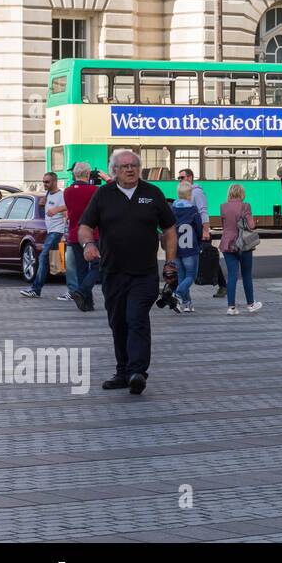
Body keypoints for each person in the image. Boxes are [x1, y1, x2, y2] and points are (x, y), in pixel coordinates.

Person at [78, 149, 177, 396]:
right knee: (118, 323)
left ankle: (138, 372)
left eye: (134, 165)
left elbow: (170, 229)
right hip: (113, 272)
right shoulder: (103, 195)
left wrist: (170, 263)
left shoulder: (152, 194)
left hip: (144, 273)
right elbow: (85, 227)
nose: (130, 169)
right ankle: (123, 372)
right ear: (114, 171)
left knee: (136, 318)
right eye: (124, 166)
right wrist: (88, 245)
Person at [18, 173, 69, 300]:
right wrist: (42, 205)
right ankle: (74, 290)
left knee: (44, 257)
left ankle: (36, 289)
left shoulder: (61, 195)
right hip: (51, 231)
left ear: (55, 182)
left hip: (58, 231)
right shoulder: (48, 195)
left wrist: (59, 213)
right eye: (43, 182)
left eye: (47, 182)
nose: (45, 184)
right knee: (63, 262)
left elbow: (67, 210)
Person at [178, 167, 226, 298]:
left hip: (199, 232)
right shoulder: (187, 192)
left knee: (206, 257)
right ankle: (174, 287)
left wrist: (205, 230)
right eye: (179, 178)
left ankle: (223, 285)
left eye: (181, 177)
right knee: (198, 257)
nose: (180, 180)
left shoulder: (197, 193)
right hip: (191, 231)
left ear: (189, 178)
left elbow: (203, 211)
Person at [63, 163, 102, 311]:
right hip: (93, 234)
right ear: (88, 174)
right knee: (98, 266)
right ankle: (81, 291)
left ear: (74, 174)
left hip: (74, 234)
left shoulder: (67, 191)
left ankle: (87, 304)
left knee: (81, 269)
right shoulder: (95, 190)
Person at [219, 183, 262, 316]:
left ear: (230, 193)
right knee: (246, 275)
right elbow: (251, 225)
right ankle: (250, 304)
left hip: (227, 244)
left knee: (232, 275)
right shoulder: (245, 206)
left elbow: (224, 226)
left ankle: (231, 307)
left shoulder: (223, 207)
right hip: (243, 245)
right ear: (241, 193)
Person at [171, 180, 204, 312]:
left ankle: (187, 303)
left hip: (176, 248)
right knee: (191, 276)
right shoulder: (193, 210)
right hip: (190, 248)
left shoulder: (172, 209)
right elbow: (199, 229)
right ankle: (178, 293)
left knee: (181, 276)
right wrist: (200, 241)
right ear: (189, 195)